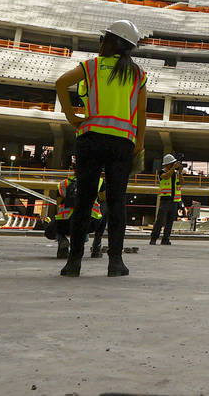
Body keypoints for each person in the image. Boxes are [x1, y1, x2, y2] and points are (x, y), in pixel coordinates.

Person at [55, 19, 147, 278]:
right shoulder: (138, 74)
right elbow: (141, 112)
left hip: (91, 139)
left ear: (109, 42)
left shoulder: (91, 67)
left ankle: (74, 263)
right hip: (122, 144)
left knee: (84, 201)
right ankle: (115, 262)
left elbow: (61, 83)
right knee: (117, 203)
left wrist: (71, 116)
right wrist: (138, 145)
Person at [151, 154, 183, 246]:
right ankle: (154, 238)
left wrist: (180, 172)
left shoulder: (176, 174)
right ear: (168, 164)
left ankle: (165, 239)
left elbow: (181, 182)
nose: (174, 165)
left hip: (174, 201)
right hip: (165, 200)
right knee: (160, 221)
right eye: (172, 163)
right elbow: (166, 176)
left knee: (170, 222)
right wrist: (173, 168)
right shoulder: (161, 172)